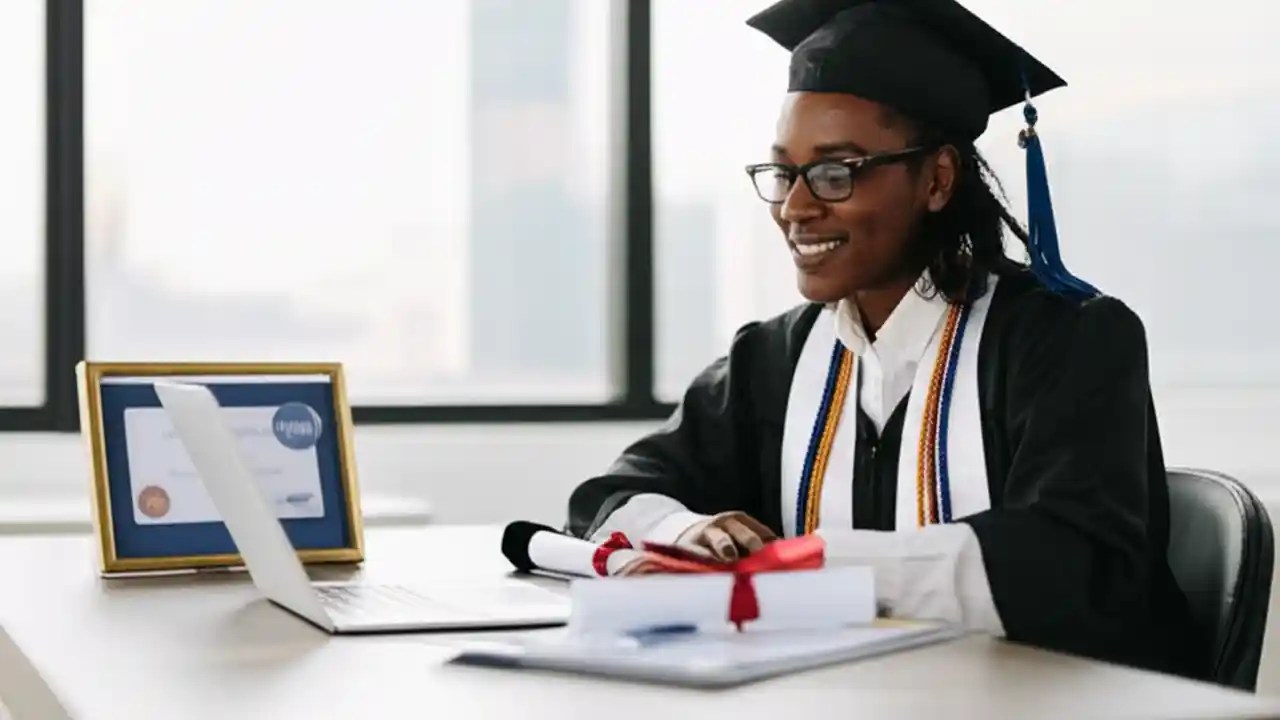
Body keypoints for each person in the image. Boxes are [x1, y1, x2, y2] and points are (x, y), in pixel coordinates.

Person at [565, 0, 1203, 679]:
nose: (795, 207)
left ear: (938, 179)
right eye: (784, 173)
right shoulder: (775, 361)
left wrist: (812, 566)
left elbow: (1075, 562)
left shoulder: (1067, 342)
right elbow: (611, 496)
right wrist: (685, 532)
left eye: (835, 172)